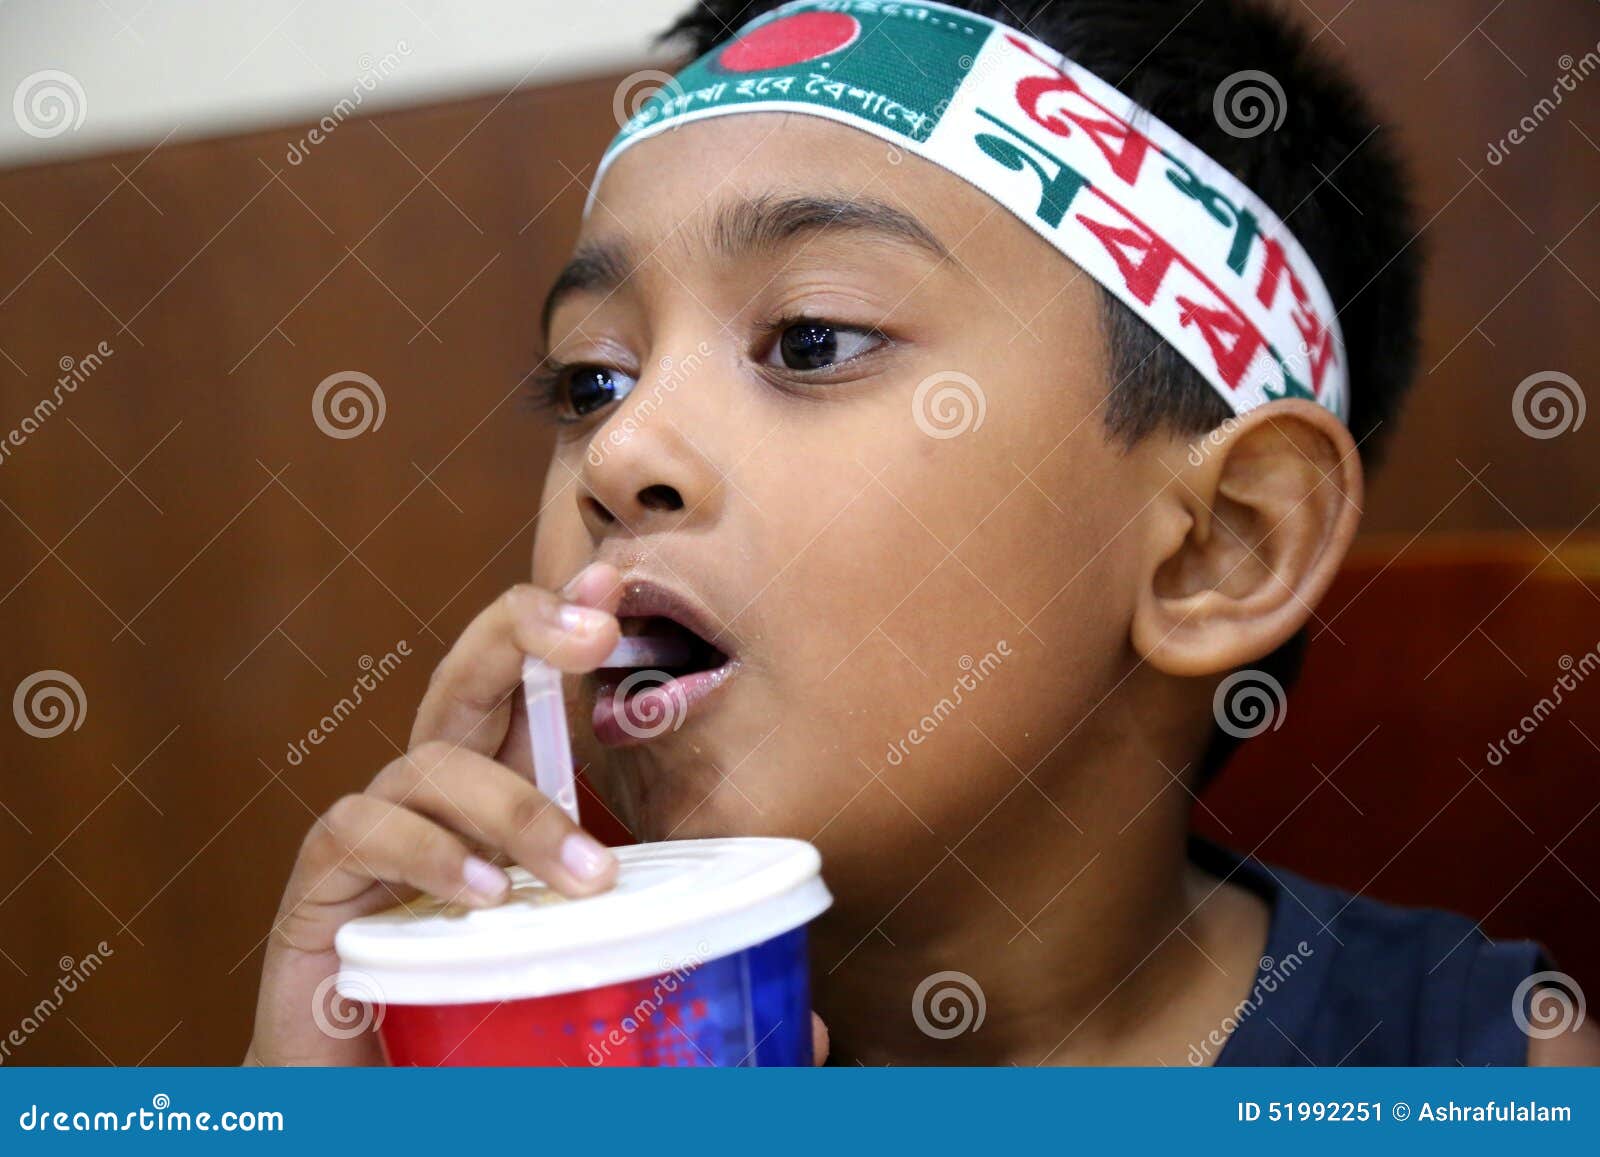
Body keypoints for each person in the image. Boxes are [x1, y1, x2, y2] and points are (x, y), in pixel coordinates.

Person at [246, 0, 1599, 1066]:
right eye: (591, 379)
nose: (620, 450)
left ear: (1221, 546)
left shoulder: (1488, 1067)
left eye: (811, 339)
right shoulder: (544, 1077)